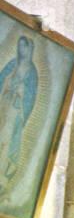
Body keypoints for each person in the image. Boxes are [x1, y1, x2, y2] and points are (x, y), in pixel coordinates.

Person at [0, 35, 38, 187]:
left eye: (24, 46)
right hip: (3, 106)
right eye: (20, 46)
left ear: (29, 49)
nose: (21, 50)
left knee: (7, 140)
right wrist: (8, 85)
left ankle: (2, 172)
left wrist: (22, 90)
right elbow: (2, 80)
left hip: (16, 111)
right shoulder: (12, 65)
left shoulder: (31, 72)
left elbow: (31, 95)